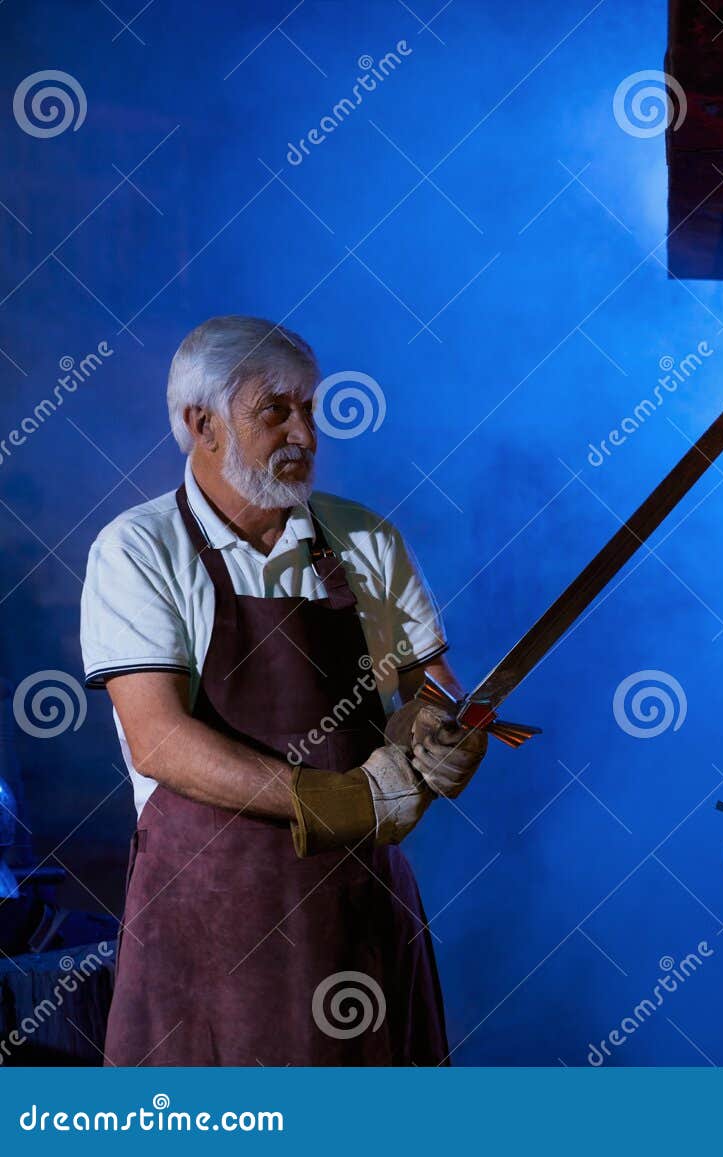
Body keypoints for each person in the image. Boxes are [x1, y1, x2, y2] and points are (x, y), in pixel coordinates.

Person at [78, 315, 486, 1065]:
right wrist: (345, 801)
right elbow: (158, 737)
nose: (305, 432)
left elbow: (430, 690)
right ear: (202, 424)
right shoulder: (138, 550)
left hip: (357, 913)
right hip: (211, 930)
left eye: (311, 408)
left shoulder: (365, 539)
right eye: (276, 410)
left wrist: (438, 736)